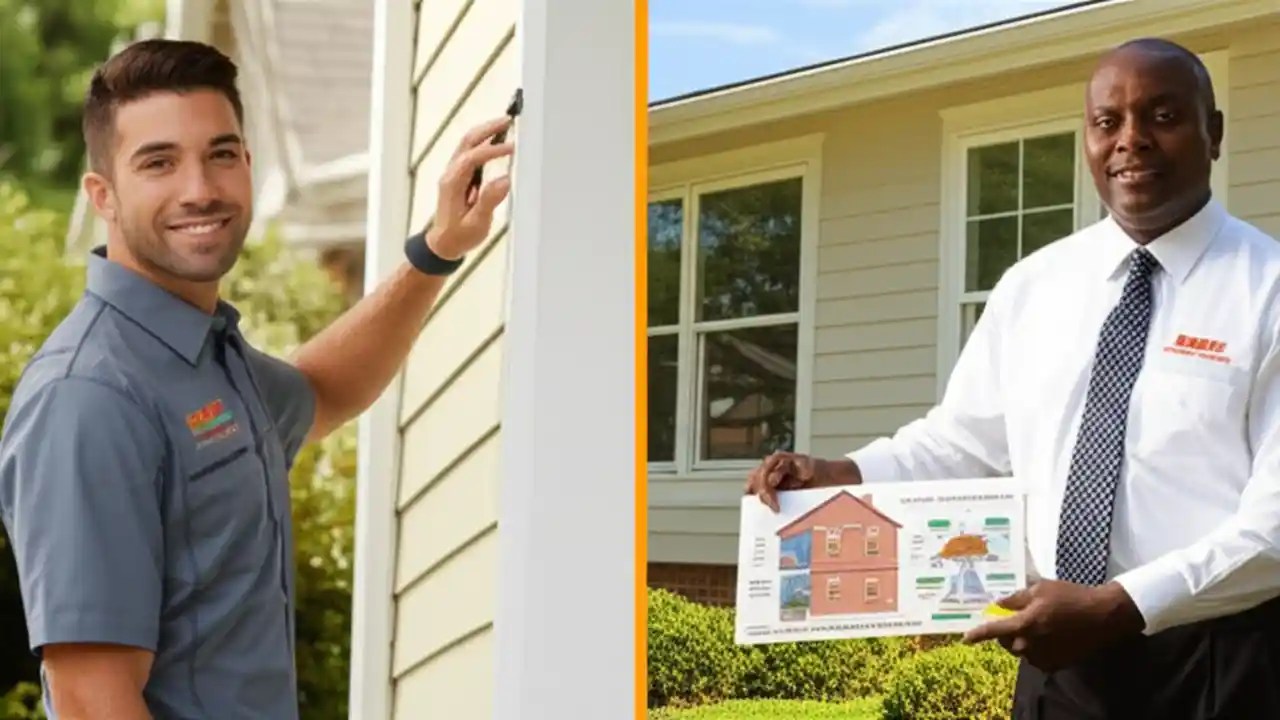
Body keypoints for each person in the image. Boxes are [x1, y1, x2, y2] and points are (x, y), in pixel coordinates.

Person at [746, 37, 1280, 720]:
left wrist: (1120, 605)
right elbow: (961, 443)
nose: (1131, 141)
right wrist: (839, 473)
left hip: (1218, 664)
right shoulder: (1033, 288)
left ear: (1216, 134)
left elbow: (1272, 526)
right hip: (1058, 662)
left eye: (1164, 117)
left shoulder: (1267, 291)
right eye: (1107, 122)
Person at [0, 39, 513, 719]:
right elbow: (94, 700)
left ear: (247, 163)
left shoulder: (209, 358)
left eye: (220, 154)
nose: (200, 189)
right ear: (104, 195)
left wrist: (437, 249)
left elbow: (323, 390)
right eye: (158, 163)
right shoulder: (89, 397)